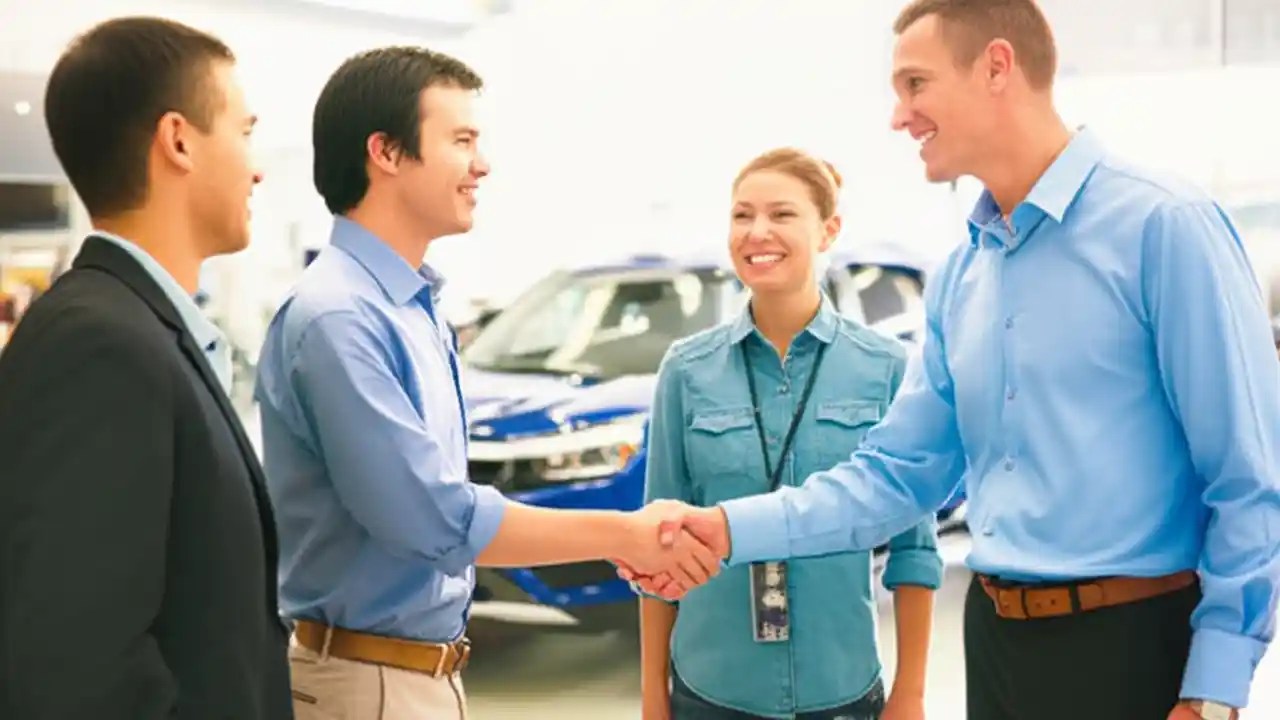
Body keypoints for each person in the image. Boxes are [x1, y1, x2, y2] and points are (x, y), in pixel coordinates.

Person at [626, 2, 1280, 719]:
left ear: (996, 67)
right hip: (995, 640)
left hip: (1131, 643)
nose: (898, 116)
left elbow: (1249, 478)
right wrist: (727, 528)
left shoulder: (1164, 228)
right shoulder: (964, 273)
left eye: (915, 84)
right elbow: (896, 474)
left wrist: (1214, 690)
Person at [253, 46, 717, 720]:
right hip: (366, 684)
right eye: (461, 139)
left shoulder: (411, 307)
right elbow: (436, 519)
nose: (483, 164)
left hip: (417, 672)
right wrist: (624, 535)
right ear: (385, 152)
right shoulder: (338, 318)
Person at [0, 17, 292, 720]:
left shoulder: (137, 328)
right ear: (179, 140)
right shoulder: (102, 346)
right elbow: (77, 667)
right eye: (245, 131)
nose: (258, 166)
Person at [639, 148, 942, 720]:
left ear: (829, 230)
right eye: (741, 215)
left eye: (781, 214)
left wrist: (912, 693)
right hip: (712, 689)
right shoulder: (686, 370)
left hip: (843, 686)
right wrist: (655, 700)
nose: (758, 232)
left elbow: (915, 550)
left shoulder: (885, 366)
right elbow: (657, 548)